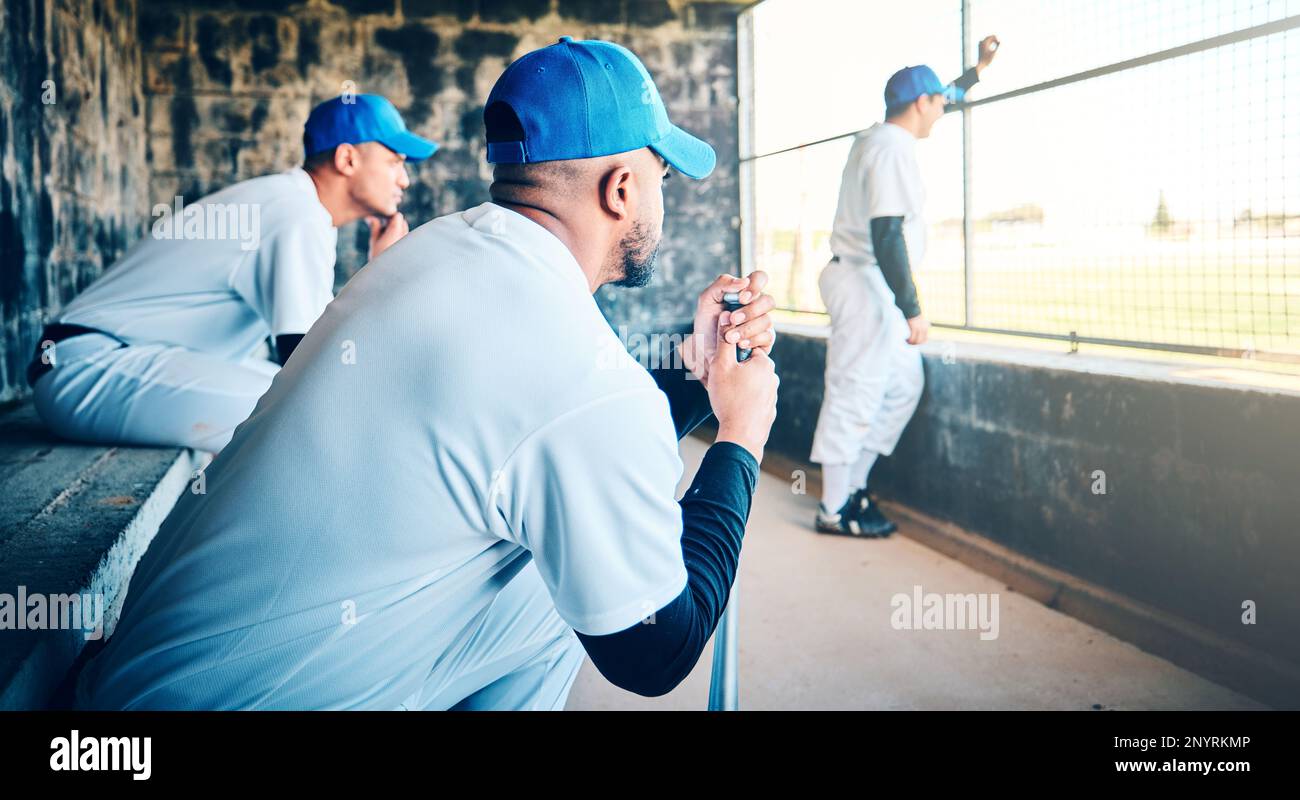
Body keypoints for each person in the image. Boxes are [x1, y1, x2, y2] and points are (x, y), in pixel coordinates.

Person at [74, 36, 780, 710]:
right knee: (588, 570)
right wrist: (740, 435)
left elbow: (558, 427)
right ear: (622, 189)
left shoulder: (433, 254)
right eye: (663, 178)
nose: (666, 199)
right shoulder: (575, 375)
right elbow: (656, 652)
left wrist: (696, 369)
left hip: (135, 686)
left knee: (570, 557)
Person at [27, 94, 436, 453]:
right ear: (347, 158)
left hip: (112, 364)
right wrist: (382, 276)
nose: (404, 178)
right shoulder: (296, 212)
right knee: (307, 411)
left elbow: (317, 356)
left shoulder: (297, 206)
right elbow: (308, 365)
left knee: (306, 401)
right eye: (395, 161)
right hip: (86, 366)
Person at [812, 36, 1000, 537]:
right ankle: (832, 510)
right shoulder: (892, 147)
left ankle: (852, 489)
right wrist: (912, 308)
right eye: (939, 102)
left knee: (901, 386)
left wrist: (976, 71)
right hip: (865, 285)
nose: (944, 109)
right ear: (920, 104)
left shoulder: (881, 135)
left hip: (870, 284)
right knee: (854, 393)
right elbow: (887, 232)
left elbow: (944, 95)